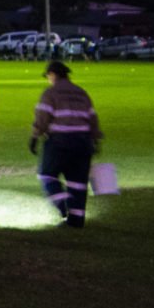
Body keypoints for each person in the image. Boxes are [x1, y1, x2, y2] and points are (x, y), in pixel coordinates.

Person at [29, 59, 103, 228]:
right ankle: (76, 220)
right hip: (83, 142)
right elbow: (93, 118)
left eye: (48, 76)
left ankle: (63, 207)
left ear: (53, 74)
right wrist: (96, 140)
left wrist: (34, 137)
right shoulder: (82, 93)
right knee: (78, 183)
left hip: (60, 141)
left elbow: (42, 118)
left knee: (47, 175)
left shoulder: (50, 93)